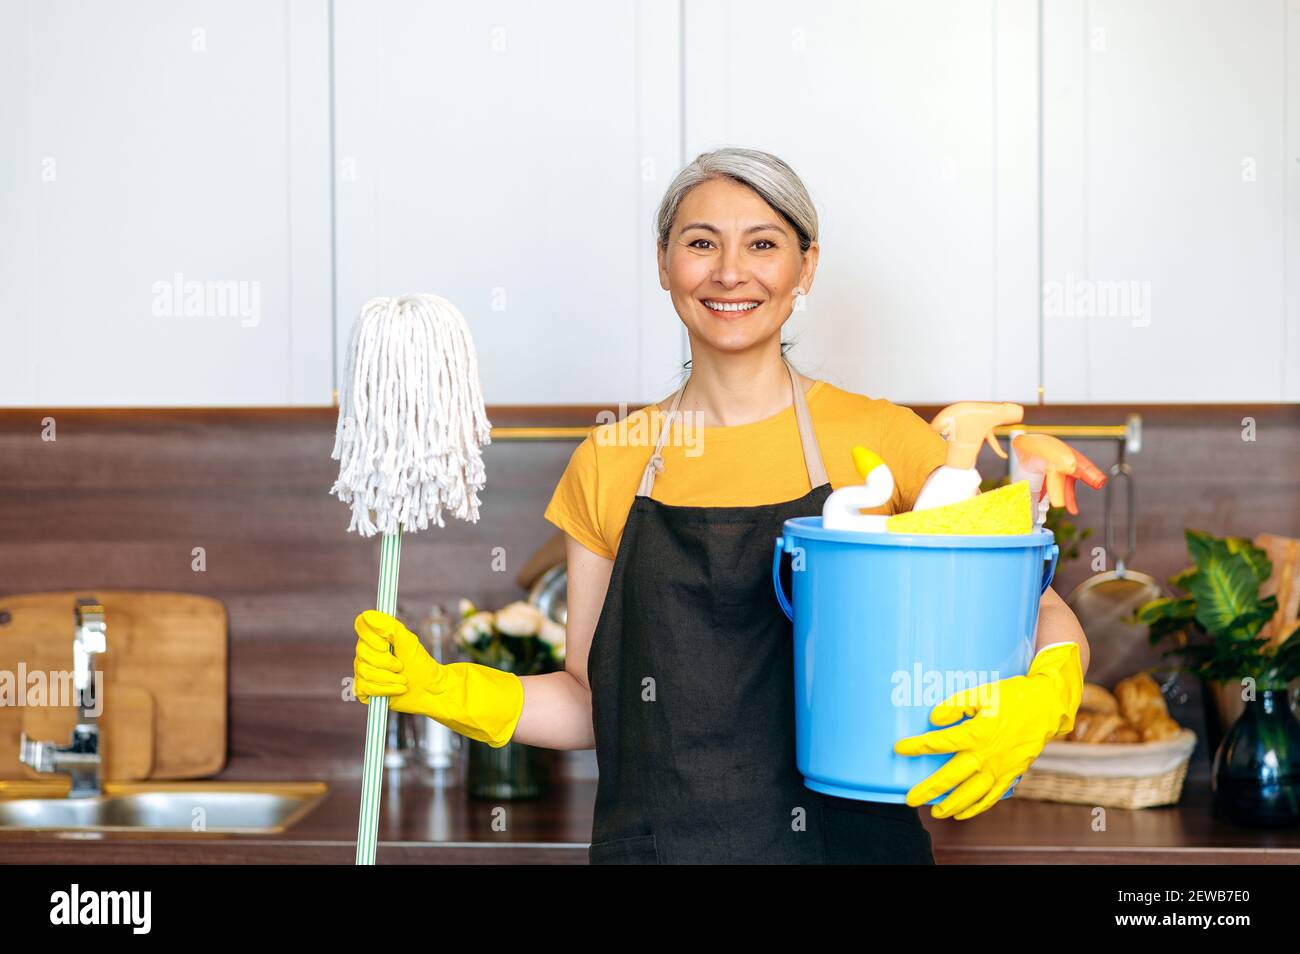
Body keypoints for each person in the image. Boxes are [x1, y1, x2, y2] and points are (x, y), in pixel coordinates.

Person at [351, 147, 1089, 864]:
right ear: (665, 264)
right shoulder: (611, 461)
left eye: (762, 244)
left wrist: (1046, 689)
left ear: (807, 266)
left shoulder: (886, 443)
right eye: (701, 243)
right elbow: (591, 701)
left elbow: (1043, 610)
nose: (731, 272)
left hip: (850, 852)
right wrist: (446, 690)